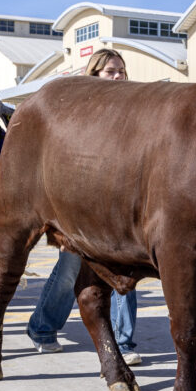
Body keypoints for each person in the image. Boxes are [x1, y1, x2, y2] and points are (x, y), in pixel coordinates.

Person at [26, 49, 141, 365]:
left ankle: (124, 344)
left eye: (121, 70)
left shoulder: (133, 111)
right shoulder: (81, 113)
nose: (118, 76)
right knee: (70, 270)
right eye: (109, 71)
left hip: (120, 206)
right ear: (94, 76)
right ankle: (42, 328)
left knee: (124, 271)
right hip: (82, 206)